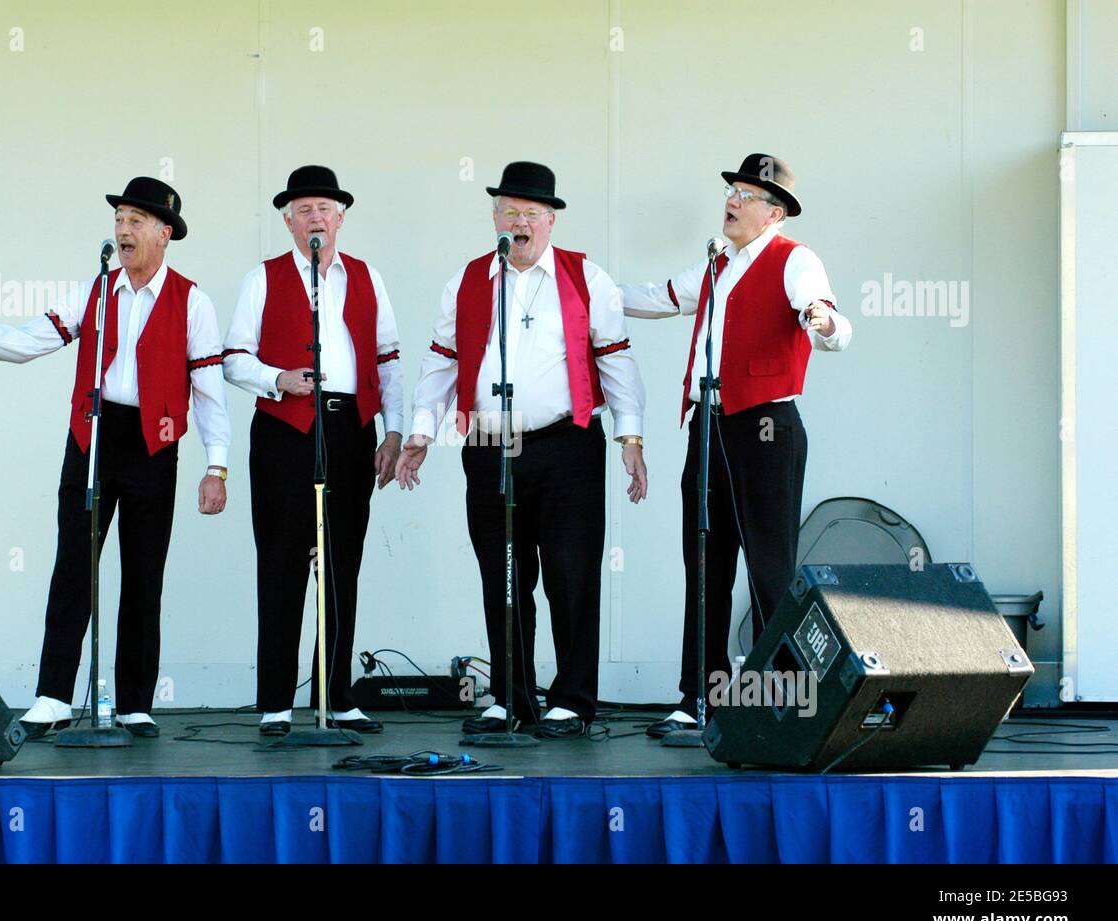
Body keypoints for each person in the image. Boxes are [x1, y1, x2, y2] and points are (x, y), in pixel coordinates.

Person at [0, 176, 231, 739]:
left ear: (163, 234)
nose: (123, 230)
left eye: (135, 221)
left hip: (155, 444)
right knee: (73, 568)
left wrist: (217, 465)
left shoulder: (192, 300)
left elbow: (209, 391)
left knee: (143, 576)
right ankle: (54, 696)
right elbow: (31, 341)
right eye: (119, 220)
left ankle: (135, 704)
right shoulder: (94, 291)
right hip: (93, 439)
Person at [397, 161, 647, 740]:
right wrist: (420, 433)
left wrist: (629, 437)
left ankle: (572, 699)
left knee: (571, 573)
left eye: (532, 213)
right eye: (510, 211)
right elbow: (441, 360)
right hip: (488, 441)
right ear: (494, 217)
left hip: (566, 441)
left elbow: (616, 358)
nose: (520, 222)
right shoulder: (469, 280)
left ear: (552, 220)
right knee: (502, 573)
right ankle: (511, 695)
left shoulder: (588, 277)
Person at [620, 153, 852, 737]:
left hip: (765, 426)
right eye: (733, 190)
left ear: (773, 212)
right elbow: (659, 296)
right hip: (710, 423)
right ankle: (699, 695)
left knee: (769, 567)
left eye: (747, 194)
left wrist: (821, 320)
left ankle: (784, 697)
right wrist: (587, 291)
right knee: (704, 561)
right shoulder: (716, 265)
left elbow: (831, 323)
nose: (733, 200)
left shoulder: (793, 259)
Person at [222, 166, 402, 736]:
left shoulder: (367, 276)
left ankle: (338, 694)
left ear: (341, 217)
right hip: (283, 430)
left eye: (324, 208)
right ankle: (276, 700)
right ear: (288, 220)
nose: (315, 218)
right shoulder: (264, 277)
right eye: (304, 210)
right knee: (280, 563)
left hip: (350, 428)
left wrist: (394, 431)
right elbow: (232, 358)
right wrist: (278, 378)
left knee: (342, 563)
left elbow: (389, 358)